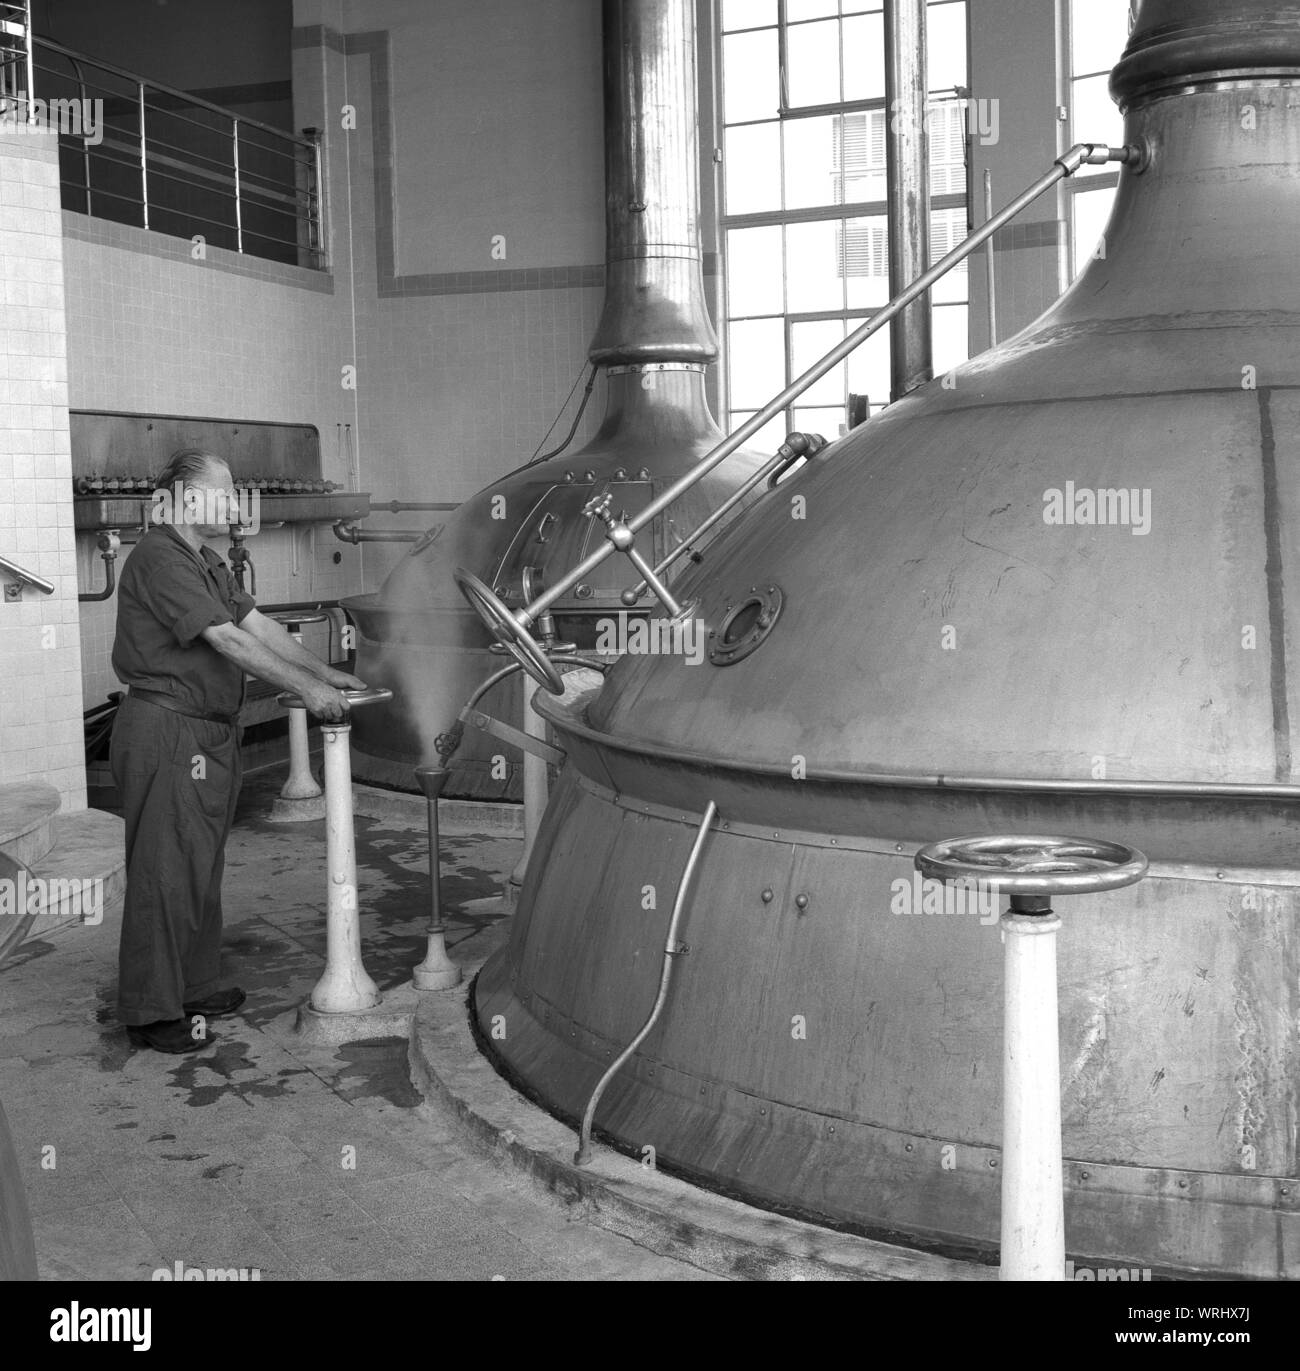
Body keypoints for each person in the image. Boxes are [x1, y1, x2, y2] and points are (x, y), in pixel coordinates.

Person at [110, 448, 364, 1053]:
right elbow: (224, 639)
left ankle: (192, 985)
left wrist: (326, 675)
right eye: (224, 493)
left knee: (200, 864)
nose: (235, 505)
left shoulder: (206, 560)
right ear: (186, 498)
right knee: (165, 868)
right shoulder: (158, 557)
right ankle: (149, 1008)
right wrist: (302, 690)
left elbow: (258, 627)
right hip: (168, 730)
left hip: (208, 731)